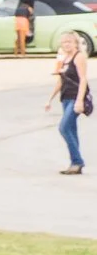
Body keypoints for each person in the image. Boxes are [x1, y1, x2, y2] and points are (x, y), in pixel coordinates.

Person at [54, 35, 92, 176]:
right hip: (65, 98)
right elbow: (61, 80)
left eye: (69, 42)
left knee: (63, 127)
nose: (66, 44)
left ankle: (77, 161)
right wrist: (50, 99)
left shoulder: (79, 57)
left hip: (75, 97)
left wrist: (79, 100)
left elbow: (83, 80)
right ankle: (75, 164)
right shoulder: (64, 58)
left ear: (76, 43)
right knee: (71, 130)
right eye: (64, 42)